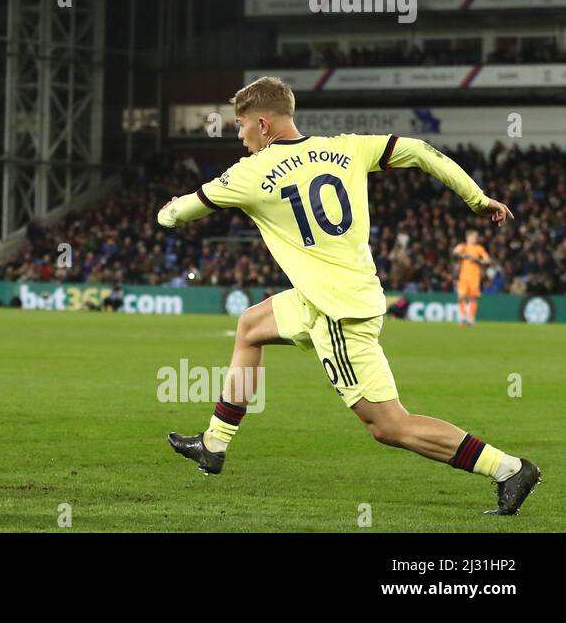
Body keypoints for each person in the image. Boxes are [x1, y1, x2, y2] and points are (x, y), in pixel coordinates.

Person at [156, 76, 538, 516]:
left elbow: (178, 214)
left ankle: (508, 468)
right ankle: (213, 445)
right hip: (326, 297)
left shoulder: (249, 173)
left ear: (262, 124)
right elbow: (421, 151)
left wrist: (166, 211)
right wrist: (477, 198)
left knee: (389, 426)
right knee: (250, 326)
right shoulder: (349, 147)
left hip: (336, 313)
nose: (239, 136)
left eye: (241, 126)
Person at [452, 229, 490, 327]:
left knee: (473, 298)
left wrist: (477, 260)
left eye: (475, 237)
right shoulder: (463, 246)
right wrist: (464, 255)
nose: (474, 239)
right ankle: (463, 317)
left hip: (474, 277)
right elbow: (455, 252)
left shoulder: (479, 248)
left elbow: (487, 260)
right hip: (463, 277)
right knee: (461, 297)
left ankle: (471, 318)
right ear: (467, 237)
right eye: (472, 237)